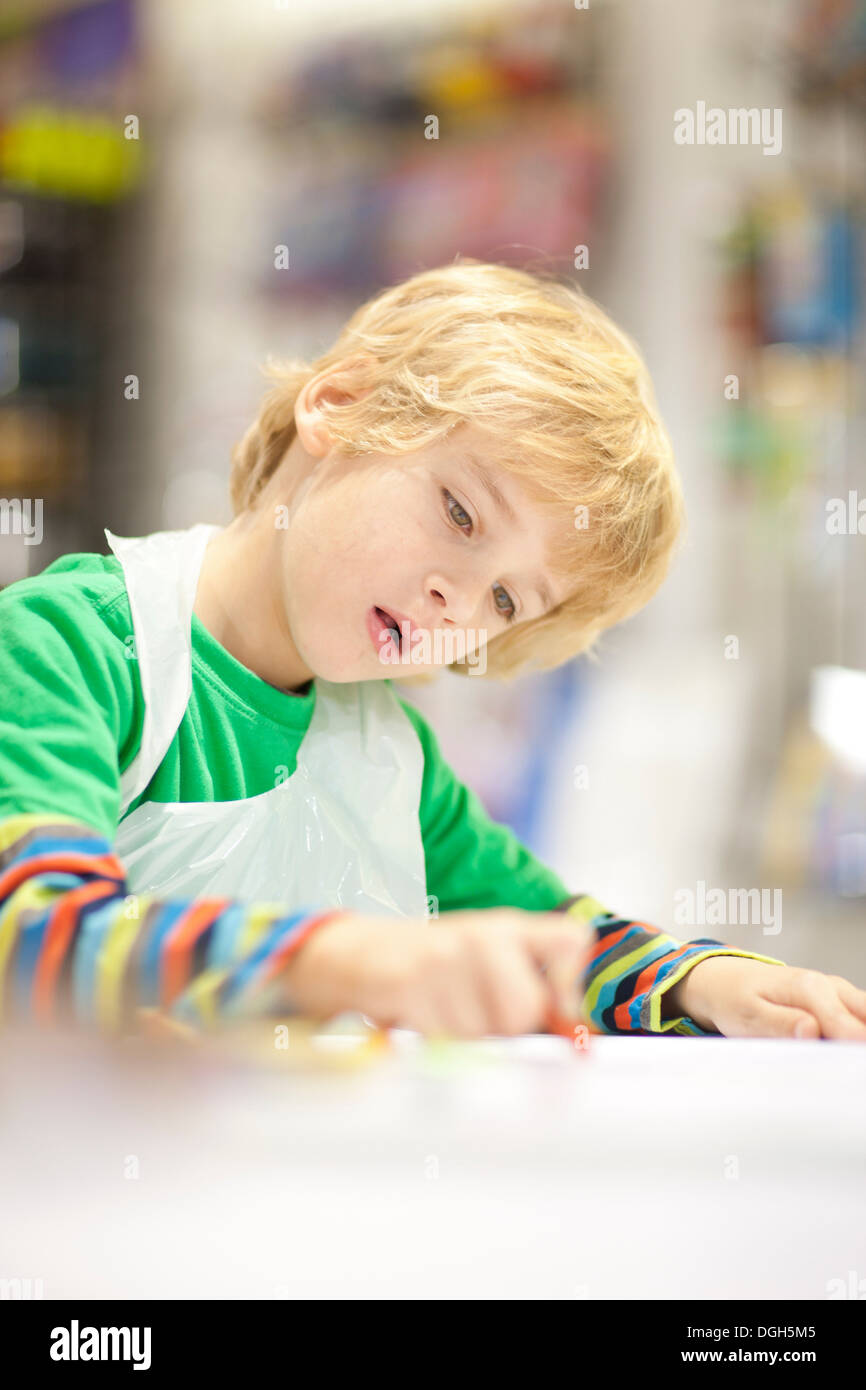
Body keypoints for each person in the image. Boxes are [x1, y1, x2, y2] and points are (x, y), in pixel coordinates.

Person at [1, 260, 863, 1042]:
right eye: (460, 513)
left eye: (505, 599)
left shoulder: (389, 758)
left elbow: (553, 935)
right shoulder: (72, 647)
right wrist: (350, 964)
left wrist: (697, 980)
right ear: (339, 405)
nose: (459, 599)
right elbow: (34, 933)